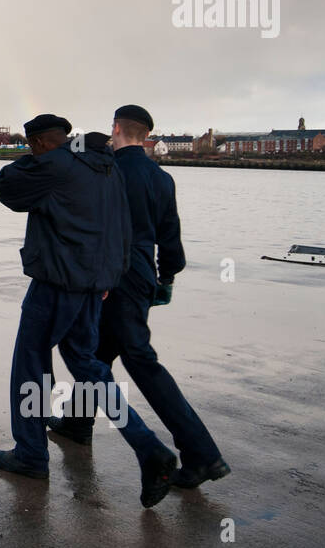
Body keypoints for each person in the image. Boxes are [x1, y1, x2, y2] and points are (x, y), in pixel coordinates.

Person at [0, 113, 178, 508]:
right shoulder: (107, 167)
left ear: (40, 142)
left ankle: (31, 454)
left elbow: (7, 188)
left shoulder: (55, 164)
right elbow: (123, 227)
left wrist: (38, 157)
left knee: (31, 362)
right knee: (89, 367)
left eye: (32, 146)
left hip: (56, 284)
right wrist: (109, 278)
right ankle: (149, 449)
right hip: (95, 287)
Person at [49, 105, 230, 489]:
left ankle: (202, 455)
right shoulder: (162, 178)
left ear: (115, 129)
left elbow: (95, 229)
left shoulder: (108, 171)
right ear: (147, 136)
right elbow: (172, 240)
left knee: (142, 364)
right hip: (144, 278)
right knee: (96, 355)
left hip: (114, 281)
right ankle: (78, 423)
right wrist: (166, 278)